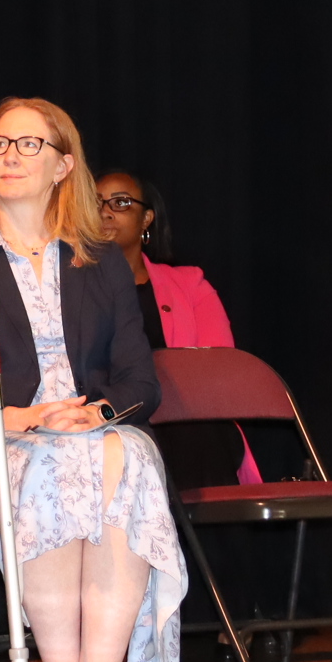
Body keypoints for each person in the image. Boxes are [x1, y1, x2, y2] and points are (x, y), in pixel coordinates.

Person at [0, 99, 183, 662]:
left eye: (28, 145)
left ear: (64, 165)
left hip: (94, 431)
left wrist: (93, 414)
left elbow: (139, 383)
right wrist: (21, 416)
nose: (9, 155)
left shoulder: (98, 264)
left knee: (120, 455)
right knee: (42, 458)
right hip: (2, 432)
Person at [97, 170, 260, 489]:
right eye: (96, 203)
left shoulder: (190, 285)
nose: (105, 211)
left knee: (198, 436)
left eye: (121, 202)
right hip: (117, 422)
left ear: (146, 219)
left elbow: (220, 371)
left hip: (191, 421)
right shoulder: (71, 291)